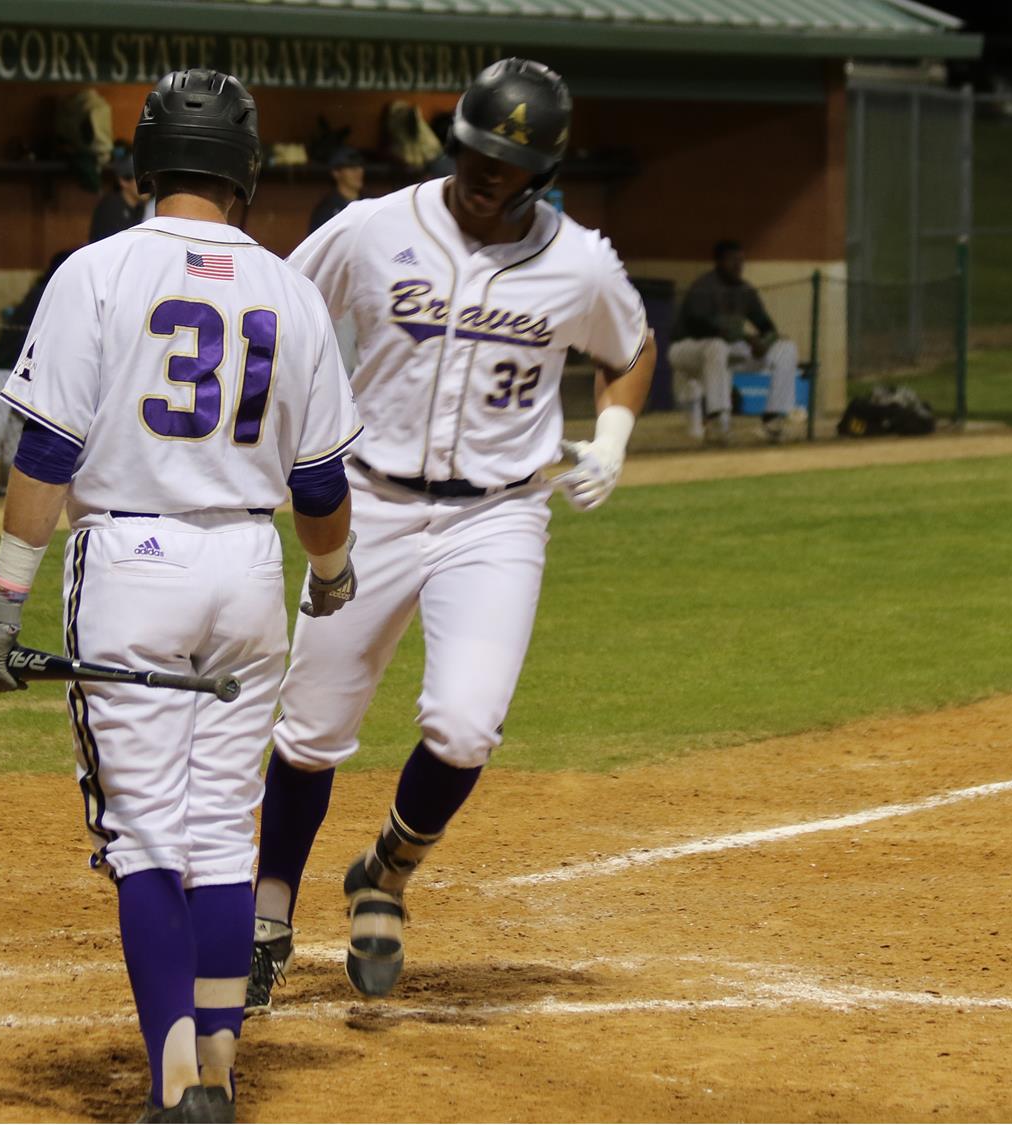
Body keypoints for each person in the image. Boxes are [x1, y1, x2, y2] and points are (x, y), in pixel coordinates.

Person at [0, 68, 361, 1124]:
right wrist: (330, 574)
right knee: (227, 833)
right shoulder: (291, 289)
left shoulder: (94, 270)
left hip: (129, 565)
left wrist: (5, 604)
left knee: (145, 838)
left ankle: (171, 1082)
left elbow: (47, 449)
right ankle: (222, 1070)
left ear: (143, 165)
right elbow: (319, 485)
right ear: (245, 176)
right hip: (247, 570)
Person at [245, 58, 656, 1009]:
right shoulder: (376, 226)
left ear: (541, 175)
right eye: (472, 148)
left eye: (504, 161)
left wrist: (618, 436)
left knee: (466, 725)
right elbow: (281, 312)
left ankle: (385, 871)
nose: (481, 170)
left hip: (500, 511)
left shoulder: (579, 261)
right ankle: (268, 916)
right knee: (310, 728)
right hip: (365, 500)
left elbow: (630, 348)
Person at [669, 239, 802, 443]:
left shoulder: (745, 290)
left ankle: (774, 420)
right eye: (733, 260)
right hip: (686, 349)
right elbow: (701, 327)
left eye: (741, 260)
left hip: (728, 350)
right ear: (719, 262)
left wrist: (765, 342)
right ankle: (717, 423)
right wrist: (748, 338)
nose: (739, 265)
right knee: (717, 346)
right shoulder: (703, 287)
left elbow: (768, 327)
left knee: (786, 348)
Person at [89, 153, 151, 243]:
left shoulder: (140, 207)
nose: (149, 184)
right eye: (142, 179)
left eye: (149, 179)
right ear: (123, 181)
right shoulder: (111, 207)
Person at [307, 146, 365, 233]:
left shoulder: (369, 202)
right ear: (336, 173)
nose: (359, 171)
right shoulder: (325, 210)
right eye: (352, 168)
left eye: (360, 166)